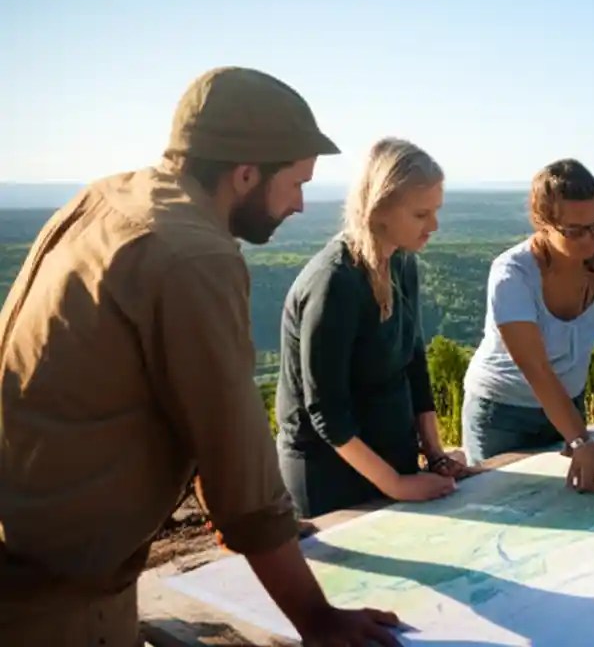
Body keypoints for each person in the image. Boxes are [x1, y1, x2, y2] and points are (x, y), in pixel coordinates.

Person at [0, 67, 401, 646]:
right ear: (245, 174)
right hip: (54, 596)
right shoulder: (193, 255)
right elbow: (237, 464)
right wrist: (320, 620)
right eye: (295, 184)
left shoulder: (110, 197)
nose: (301, 205)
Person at [274, 137, 464, 520]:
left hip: (393, 459)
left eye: (436, 211)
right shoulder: (334, 283)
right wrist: (396, 484)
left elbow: (413, 361)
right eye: (421, 214)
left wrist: (435, 454)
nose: (434, 225)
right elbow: (325, 411)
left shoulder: (401, 263)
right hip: (330, 474)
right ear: (380, 210)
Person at [461, 159, 594, 493]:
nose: (590, 239)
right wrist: (580, 441)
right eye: (575, 231)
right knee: (507, 510)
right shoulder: (512, 275)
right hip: (502, 414)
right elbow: (537, 371)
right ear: (541, 222)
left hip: (569, 404)